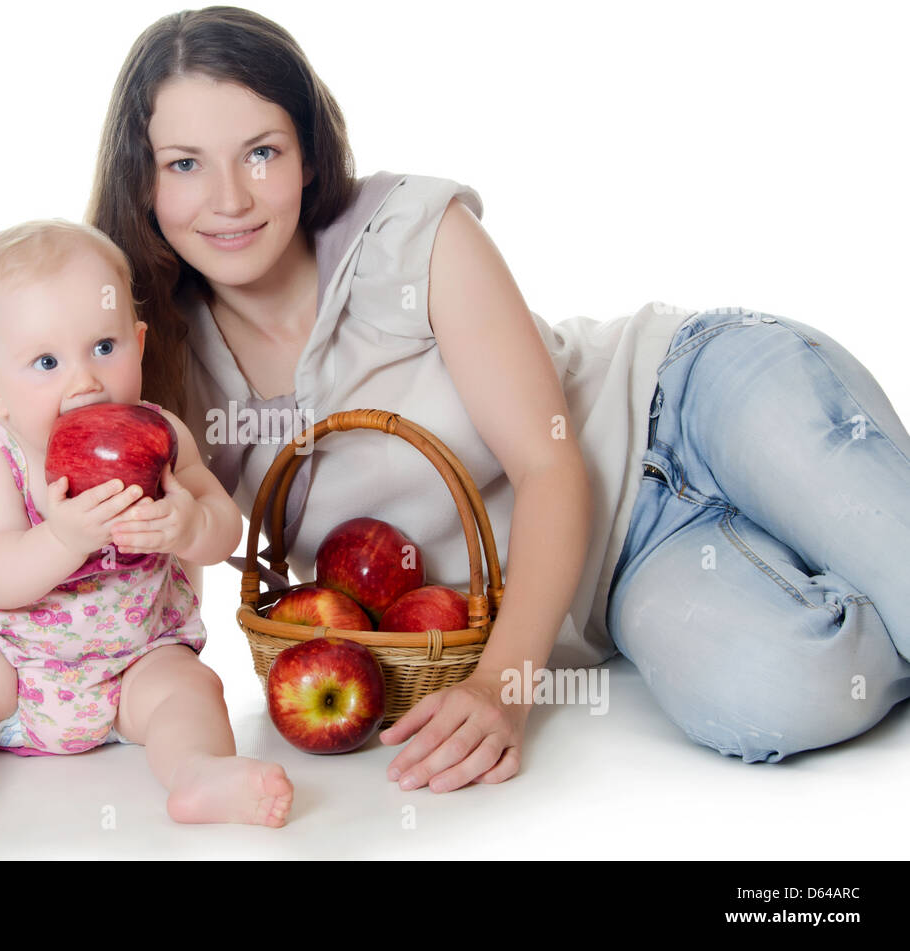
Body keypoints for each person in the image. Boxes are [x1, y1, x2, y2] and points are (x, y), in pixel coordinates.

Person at [84, 6, 910, 792]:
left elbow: (547, 463)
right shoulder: (153, 371)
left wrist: (502, 689)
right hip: (619, 572)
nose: (229, 198)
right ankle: (813, 553)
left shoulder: (409, 233)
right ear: (144, 184)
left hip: (685, 396)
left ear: (306, 153)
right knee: (783, 692)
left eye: (260, 151)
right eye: (184, 163)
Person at [0, 219, 294, 856]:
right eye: (46, 362)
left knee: (190, 687)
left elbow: (224, 530)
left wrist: (188, 523)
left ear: (140, 340)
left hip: (133, 670)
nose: (84, 381)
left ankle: (196, 773)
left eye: (104, 346)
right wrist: (64, 538)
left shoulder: (160, 435)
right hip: (2, 675)